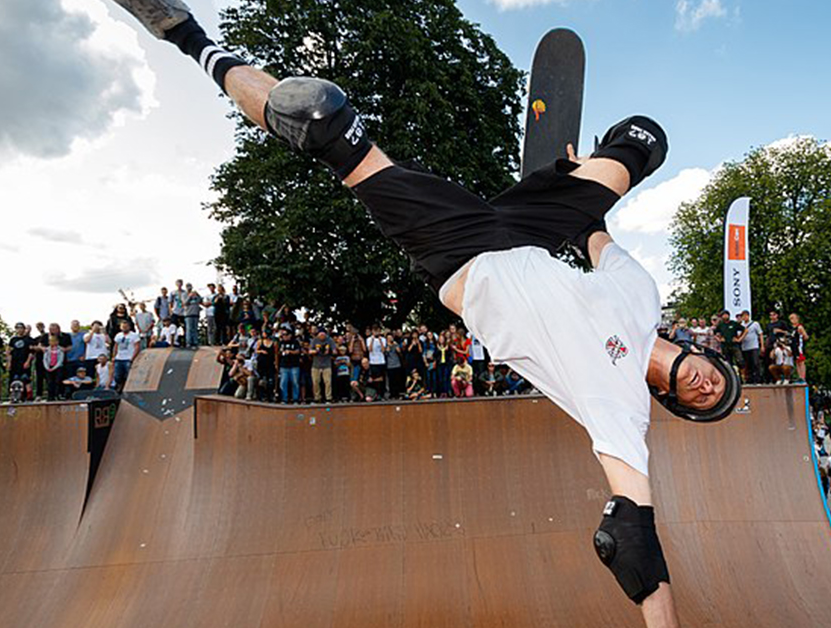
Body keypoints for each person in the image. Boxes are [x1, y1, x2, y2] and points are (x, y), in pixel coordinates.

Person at [114, 5, 742, 625]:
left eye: (704, 402)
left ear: (675, 403)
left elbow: (634, 540)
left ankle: (185, 35)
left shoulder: (621, 408)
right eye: (719, 382)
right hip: (537, 229)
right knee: (645, 137)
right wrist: (578, 190)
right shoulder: (643, 297)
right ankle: (558, 172)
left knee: (320, 117)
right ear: (710, 357)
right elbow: (601, 243)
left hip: (462, 254)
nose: (708, 388)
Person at [7, 323, 35, 402]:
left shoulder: (28, 339)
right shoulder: (13, 339)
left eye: (21, 328)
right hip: (15, 362)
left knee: (25, 378)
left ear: (24, 329)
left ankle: (28, 395)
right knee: (14, 379)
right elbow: (9, 352)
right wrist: (9, 362)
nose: (19, 330)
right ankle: (14, 396)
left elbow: (31, 352)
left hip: (24, 361)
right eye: (18, 328)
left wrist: (28, 361)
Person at [112, 321, 140, 391]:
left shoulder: (134, 335)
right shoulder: (118, 335)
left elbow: (137, 347)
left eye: (126, 326)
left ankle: (128, 388)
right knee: (117, 376)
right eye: (123, 327)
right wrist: (114, 356)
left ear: (129, 327)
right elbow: (115, 346)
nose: (124, 328)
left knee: (129, 375)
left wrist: (133, 358)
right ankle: (120, 386)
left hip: (128, 358)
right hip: (119, 358)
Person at [309, 328, 335, 403]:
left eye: (323, 335)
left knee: (328, 382)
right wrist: (316, 351)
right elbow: (310, 351)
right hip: (316, 364)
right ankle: (317, 397)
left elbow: (335, 351)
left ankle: (328, 397)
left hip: (327, 364)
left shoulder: (330, 340)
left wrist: (329, 351)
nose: (322, 337)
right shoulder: (315, 340)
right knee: (315, 381)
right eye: (320, 335)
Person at [42, 334, 67, 401]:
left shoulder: (60, 349)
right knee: (50, 382)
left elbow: (60, 360)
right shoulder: (47, 350)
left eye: (54, 341)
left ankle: (57, 395)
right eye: (51, 341)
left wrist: (54, 368)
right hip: (49, 367)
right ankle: (50, 396)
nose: (52, 342)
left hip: (58, 367)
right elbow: (45, 359)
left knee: (57, 381)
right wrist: (47, 367)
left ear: (57, 342)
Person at [788, 313, 809, 382]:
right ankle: (799, 376)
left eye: (793, 318)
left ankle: (803, 376)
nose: (792, 320)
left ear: (797, 319)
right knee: (797, 361)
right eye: (791, 318)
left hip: (799, 346)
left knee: (801, 361)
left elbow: (806, 336)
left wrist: (802, 336)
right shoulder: (791, 329)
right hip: (793, 347)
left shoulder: (800, 327)